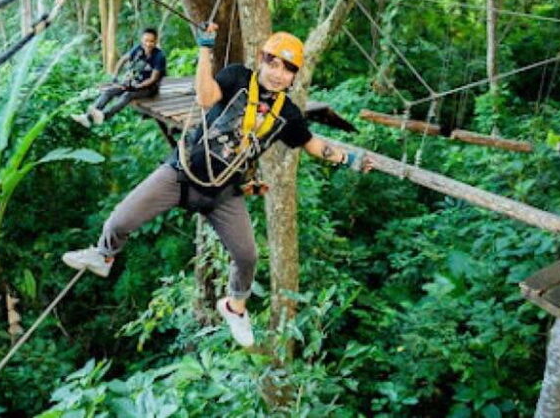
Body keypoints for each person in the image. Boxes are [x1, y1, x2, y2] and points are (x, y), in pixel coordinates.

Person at [63, 24, 372, 347]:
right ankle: (104, 255)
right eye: (273, 63)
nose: (278, 74)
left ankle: (235, 307)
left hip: (223, 193)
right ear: (262, 61)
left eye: (287, 69)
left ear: (294, 76)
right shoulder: (238, 77)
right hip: (182, 173)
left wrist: (348, 159)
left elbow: (310, 144)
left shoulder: (288, 115)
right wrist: (205, 50)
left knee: (247, 256)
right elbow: (205, 96)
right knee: (120, 220)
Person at [72, 27, 167, 128]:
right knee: (109, 91)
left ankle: (105, 115)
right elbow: (123, 60)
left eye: (151, 41)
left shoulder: (159, 56)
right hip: (134, 82)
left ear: (156, 41)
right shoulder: (138, 49)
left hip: (149, 88)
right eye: (146, 41)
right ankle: (86, 117)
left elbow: (153, 79)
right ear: (141, 40)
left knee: (127, 95)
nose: (148, 44)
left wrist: (137, 86)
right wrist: (115, 76)